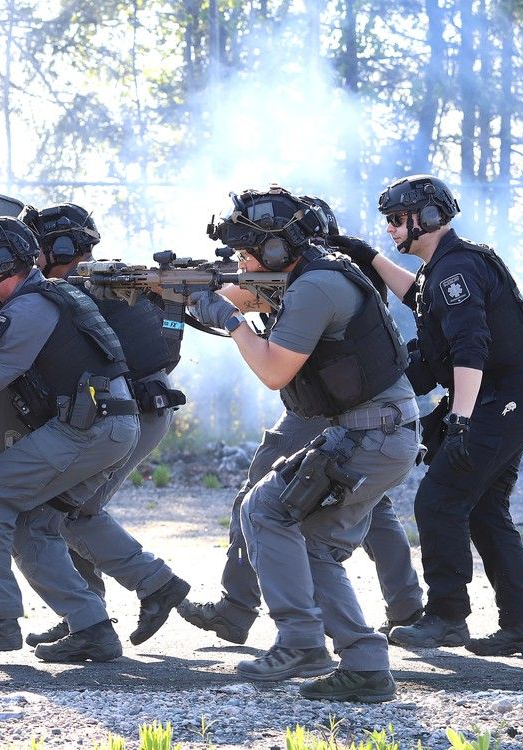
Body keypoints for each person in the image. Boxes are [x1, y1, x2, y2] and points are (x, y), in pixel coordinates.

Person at [187, 186, 421, 703]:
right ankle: (363, 666)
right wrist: (192, 297)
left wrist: (230, 321)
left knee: (265, 510)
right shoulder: (313, 272)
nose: (241, 262)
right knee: (312, 542)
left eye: (247, 251)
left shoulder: (316, 286)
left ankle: (300, 641)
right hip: (374, 431)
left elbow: (274, 371)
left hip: (371, 434)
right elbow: (249, 294)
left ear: (274, 250)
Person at [346, 174, 523, 656]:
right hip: (511, 396)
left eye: (397, 219)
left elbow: (470, 347)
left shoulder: (456, 269)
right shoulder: (446, 269)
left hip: (500, 399)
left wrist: (459, 420)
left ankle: (446, 618)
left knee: (439, 500)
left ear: (428, 217)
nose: (391, 229)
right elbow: (420, 296)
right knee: (483, 508)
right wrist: (366, 256)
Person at [0, 216, 141, 663]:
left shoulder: (29, 309)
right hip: (108, 424)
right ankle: (93, 630)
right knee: (34, 523)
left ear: (4, 264)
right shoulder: (47, 295)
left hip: (89, 428)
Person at [15, 202, 190, 652]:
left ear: (60, 247)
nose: (30, 258)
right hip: (137, 409)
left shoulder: (82, 286)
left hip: (133, 411)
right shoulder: (104, 281)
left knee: (68, 511)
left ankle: (153, 585)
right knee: (68, 507)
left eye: (36, 248)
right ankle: (83, 613)